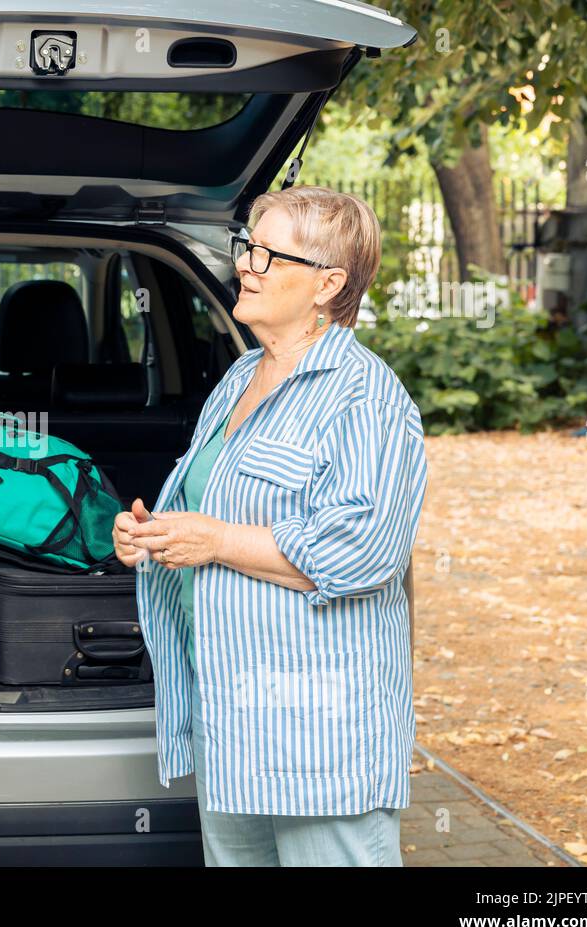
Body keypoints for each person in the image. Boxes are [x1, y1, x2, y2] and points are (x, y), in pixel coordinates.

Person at [113, 186, 428, 866]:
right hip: (235, 729)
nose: (245, 266)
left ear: (328, 284)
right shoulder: (241, 378)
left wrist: (216, 542)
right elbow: (214, 510)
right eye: (246, 248)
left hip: (321, 740)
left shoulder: (364, 395)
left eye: (266, 252)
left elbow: (364, 553)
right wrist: (155, 535)